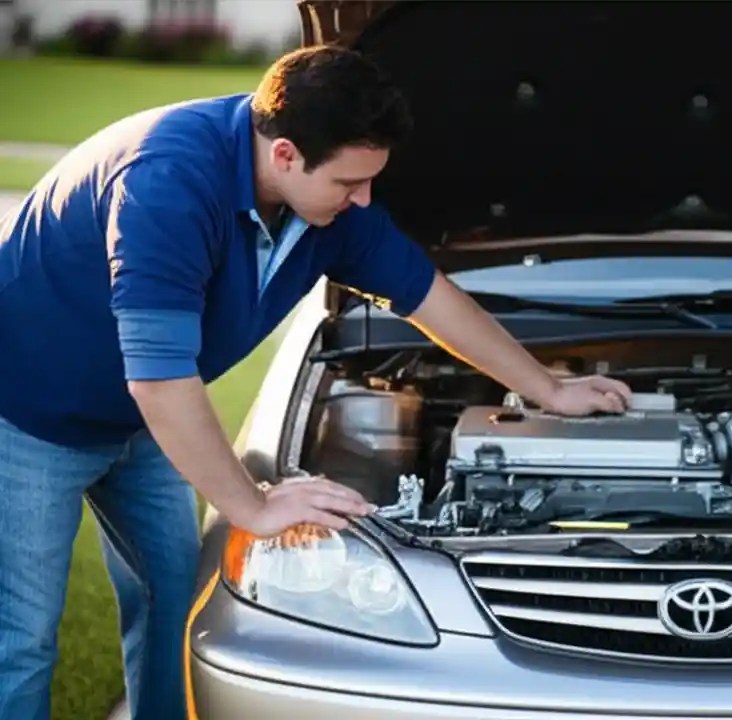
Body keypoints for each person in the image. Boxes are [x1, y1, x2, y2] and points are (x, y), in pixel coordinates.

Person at [0, 45, 632, 720]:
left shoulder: (329, 210)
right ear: (284, 155)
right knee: (24, 637)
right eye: (348, 183)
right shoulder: (168, 182)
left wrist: (548, 390)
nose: (364, 200)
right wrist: (255, 505)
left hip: (137, 421)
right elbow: (158, 380)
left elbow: (429, 297)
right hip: (28, 417)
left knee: (169, 597)